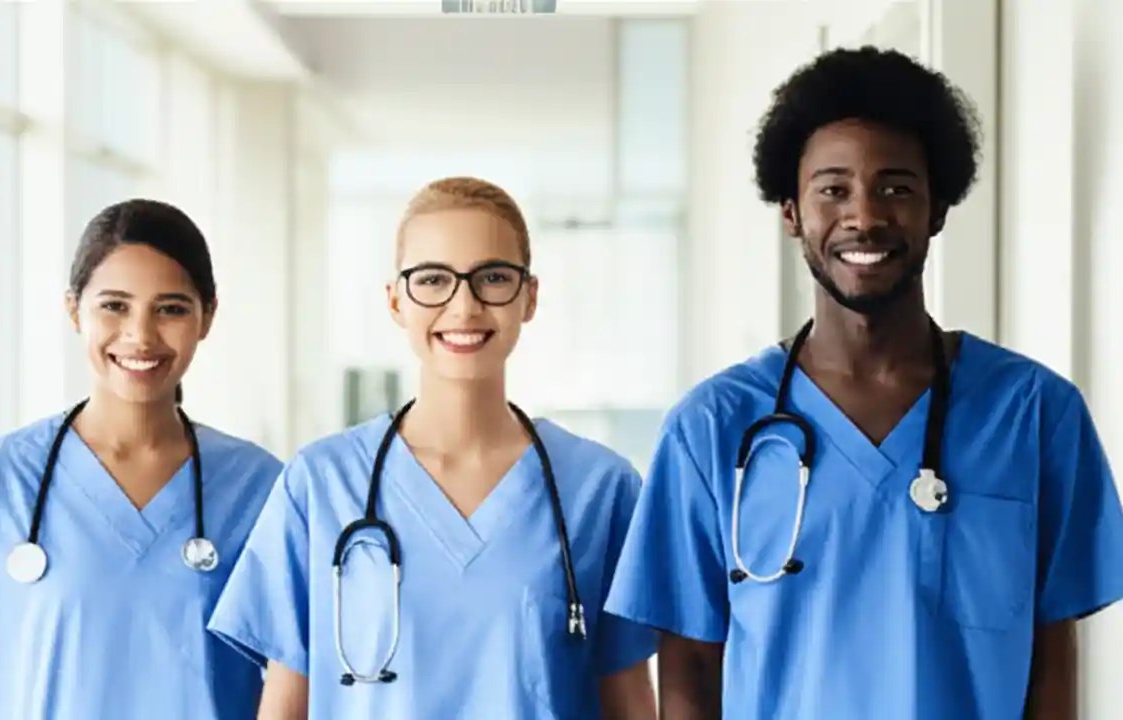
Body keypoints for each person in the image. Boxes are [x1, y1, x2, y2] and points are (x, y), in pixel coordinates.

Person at [604, 47, 1123, 720]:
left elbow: (1052, 661)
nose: (865, 216)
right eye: (833, 189)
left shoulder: (1034, 415)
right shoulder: (712, 427)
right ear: (791, 211)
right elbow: (691, 669)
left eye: (896, 187)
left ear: (938, 208)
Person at [208, 177, 659, 719]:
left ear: (529, 296)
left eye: (492, 277)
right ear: (395, 300)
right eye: (433, 280)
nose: (463, 305)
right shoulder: (321, 484)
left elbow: (631, 705)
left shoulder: (599, 489)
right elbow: (284, 706)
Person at [0, 199, 284, 719]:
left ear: (206, 316)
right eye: (114, 305)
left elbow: (296, 682)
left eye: (171, 308)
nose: (141, 335)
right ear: (74, 310)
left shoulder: (262, 488)